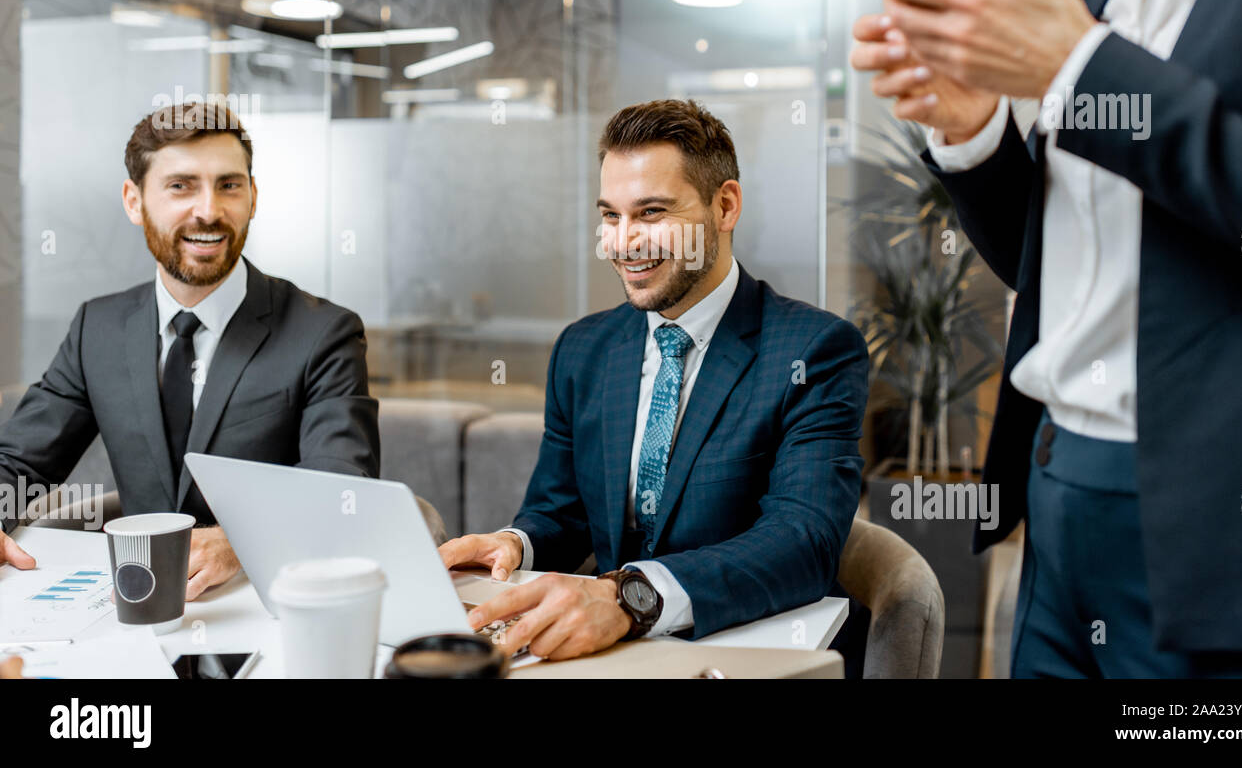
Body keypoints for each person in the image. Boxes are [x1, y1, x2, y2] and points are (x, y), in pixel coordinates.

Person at [852, 0, 1242, 675]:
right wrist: (971, 124)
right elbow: (1059, 256)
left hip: (1232, 528)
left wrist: (1084, 67)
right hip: (1059, 497)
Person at [439, 99, 870, 662]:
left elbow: (803, 542)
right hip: (619, 657)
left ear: (725, 205)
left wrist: (629, 598)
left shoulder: (812, 350)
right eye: (611, 215)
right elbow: (561, 514)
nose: (623, 242)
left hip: (748, 652)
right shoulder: (583, 350)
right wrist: (514, 544)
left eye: (651, 213)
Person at [0, 101, 380, 600]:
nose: (209, 210)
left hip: (271, 601)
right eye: (181, 186)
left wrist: (240, 543)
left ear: (253, 196)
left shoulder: (323, 332)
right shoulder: (100, 326)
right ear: (134, 201)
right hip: (141, 607)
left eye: (229, 185)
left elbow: (341, 486)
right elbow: (19, 461)